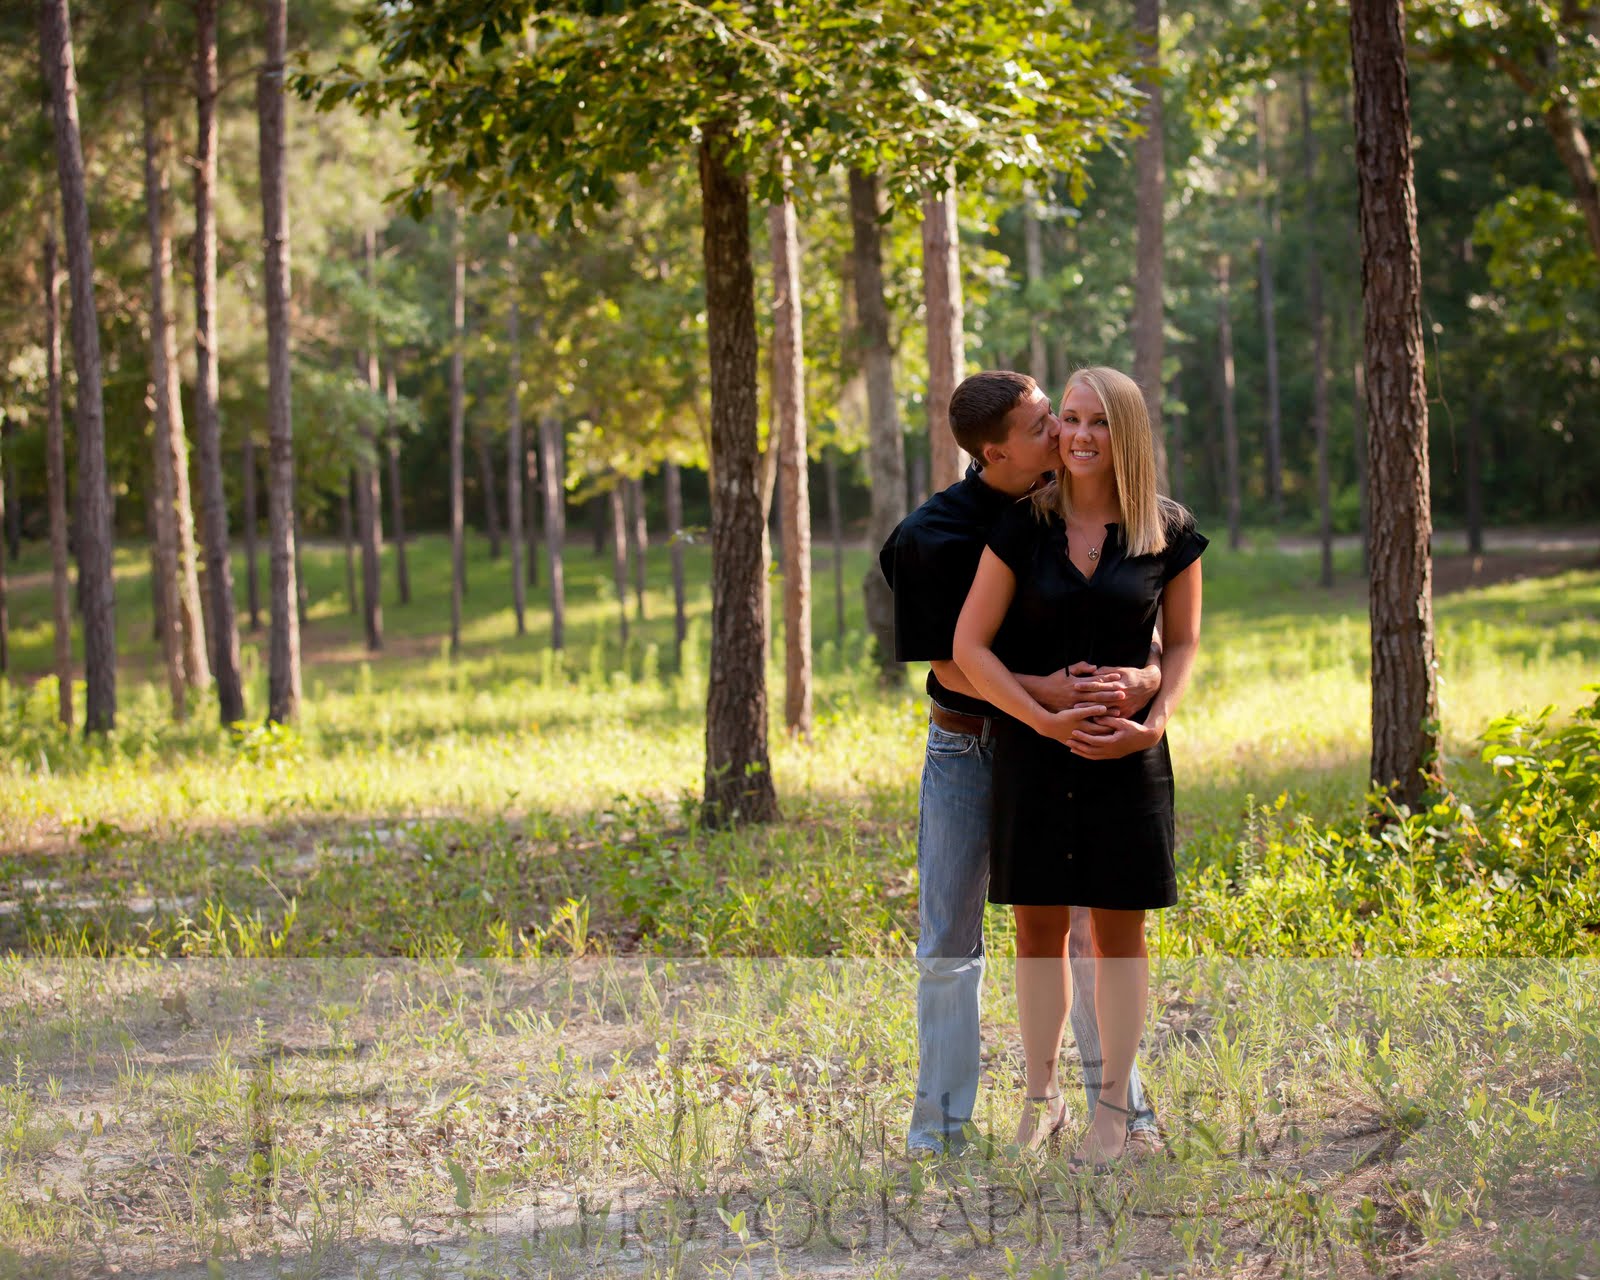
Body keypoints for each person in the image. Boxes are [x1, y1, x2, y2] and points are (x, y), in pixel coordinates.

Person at [880, 370, 1164, 1158]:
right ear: (995, 452)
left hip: (1056, 743)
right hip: (971, 745)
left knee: (1087, 929)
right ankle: (940, 1133)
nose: (1064, 434)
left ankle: (1122, 1114)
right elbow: (951, 664)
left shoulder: (1070, 506)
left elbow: (1133, 607)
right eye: (1045, 426)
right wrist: (1046, 692)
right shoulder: (930, 538)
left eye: (1060, 418)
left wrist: (1143, 677)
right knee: (950, 940)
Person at [953, 365, 1206, 1165]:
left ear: (1125, 432)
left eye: (1099, 421)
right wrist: (1041, 717)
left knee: (1119, 937)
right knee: (1038, 933)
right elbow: (969, 647)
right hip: (1034, 760)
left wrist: (1152, 722)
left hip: (1128, 762)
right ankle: (1041, 1100)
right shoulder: (1021, 527)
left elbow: (1185, 643)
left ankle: (1113, 1109)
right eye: (1069, 417)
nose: (1080, 434)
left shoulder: (1167, 530)